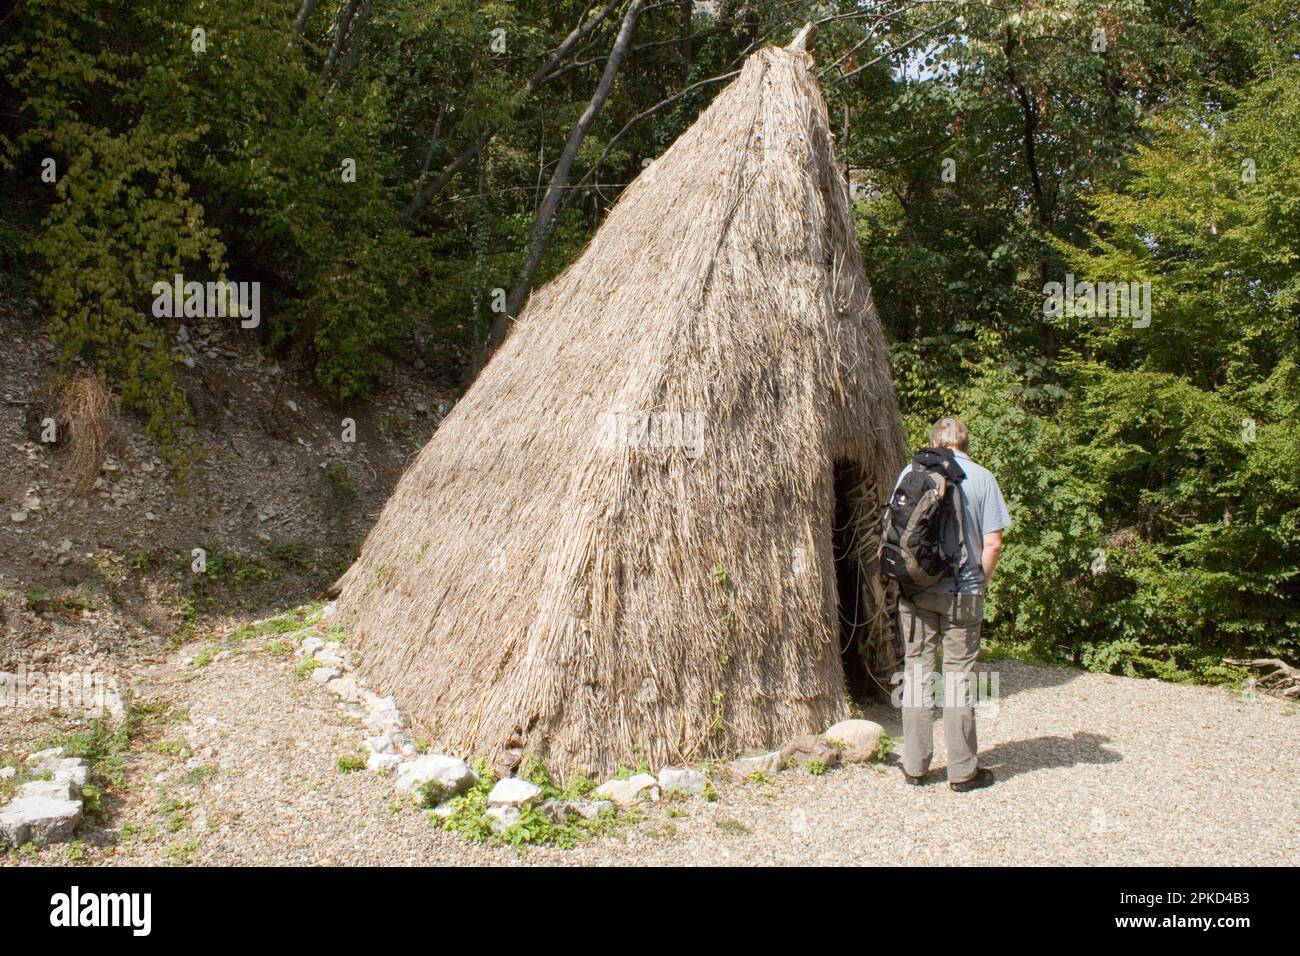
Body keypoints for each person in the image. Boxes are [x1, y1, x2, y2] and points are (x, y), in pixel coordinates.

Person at [895, 416, 1009, 792]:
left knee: (916, 675)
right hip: (963, 592)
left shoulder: (909, 473)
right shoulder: (983, 478)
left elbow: (893, 531)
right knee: (958, 681)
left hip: (916, 591)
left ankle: (914, 766)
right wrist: (979, 582)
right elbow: (993, 544)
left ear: (933, 441)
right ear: (965, 442)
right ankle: (962, 772)